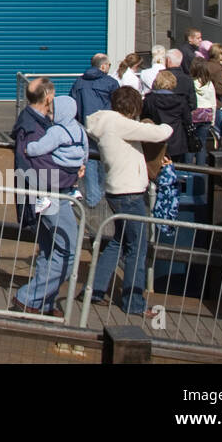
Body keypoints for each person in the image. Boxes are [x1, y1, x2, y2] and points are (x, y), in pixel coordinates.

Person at [86, 86, 172, 316]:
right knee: (138, 247)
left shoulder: (106, 123)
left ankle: (95, 289)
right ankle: (133, 303)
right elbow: (160, 133)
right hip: (130, 193)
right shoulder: (120, 124)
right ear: (133, 107)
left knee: (119, 241)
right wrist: (167, 123)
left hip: (116, 190)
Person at [11, 95, 88, 318]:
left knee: (50, 249)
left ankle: (42, 301)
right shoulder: (76, 130)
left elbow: (35, 151)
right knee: (68, 251)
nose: (50, 113)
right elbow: (83, 150)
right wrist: (77, 167)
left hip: (50, 192)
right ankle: (30, 297)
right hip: (55, 193)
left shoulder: (50, 130)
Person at [71, 53, 118, 208]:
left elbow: (73, 103)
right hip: (106, 128)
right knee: (106, 158)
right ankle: (104, 193)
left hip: (85, 127)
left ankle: (92, 197)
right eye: (109, 65)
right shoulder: (111, 83)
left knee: (90, 159)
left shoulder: (79, 82)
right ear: (103, 66)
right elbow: (117, 104)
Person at [12, 77, 55, 229]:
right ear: (48, 98)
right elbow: (29, 165)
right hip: (40, 197)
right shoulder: (31, 128)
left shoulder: (35, 120)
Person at [143, 70, 196, 163]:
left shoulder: (149, 100)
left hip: (156, 139)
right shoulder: (181, 100)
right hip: (176, 140)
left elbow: (144, 118)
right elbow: (188, 120)